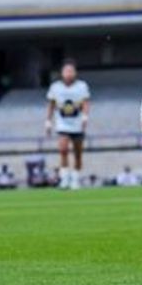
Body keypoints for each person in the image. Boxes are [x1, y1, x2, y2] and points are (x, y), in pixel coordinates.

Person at [45, 58, 91, 190]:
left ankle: (75, 178)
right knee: (63, 150)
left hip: (77, 124)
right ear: (62, 73)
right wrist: (48, 121)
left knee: (77, 153)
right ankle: (64, 178)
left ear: (75, 73)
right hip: (62, 124)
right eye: (66, 71)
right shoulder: (55, 87)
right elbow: (51, 104)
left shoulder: (82, 86)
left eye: (71, 71)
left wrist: (85, 117)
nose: (69, 73)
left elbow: (86, 103)